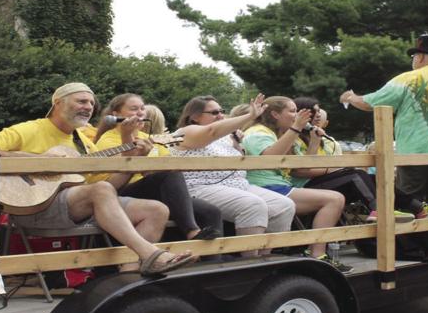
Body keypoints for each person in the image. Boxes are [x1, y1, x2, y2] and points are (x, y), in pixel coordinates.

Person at [0, 83, 193, 277]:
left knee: (157, 210)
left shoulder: (83, 142)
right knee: (99, 189)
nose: (88, 107)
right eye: (82, 101)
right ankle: (152, 255)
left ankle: (128, 277)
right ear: (58, 103)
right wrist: (40, 160)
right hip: (34, 206)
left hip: (75, 206)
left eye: (92, 103)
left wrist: (134, 160)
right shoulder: (29, 129)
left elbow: (109, 187)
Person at [339, 32, 428, 219]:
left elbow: (370, 103)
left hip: (413, 153)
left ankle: (410, 247)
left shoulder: (408, 78)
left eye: (414, 56)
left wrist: (351, 97)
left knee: (409, 207)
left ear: (420, 57)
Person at [170, 94, 301, 260]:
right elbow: (211, 131)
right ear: (195, 117)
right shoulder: (185, 132)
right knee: (253, 205)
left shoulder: (226, 137)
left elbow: (239, 160)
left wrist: (237, 143)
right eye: (214, 112)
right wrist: (249, 116)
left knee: (284, 205)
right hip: (201, 187)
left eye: (222, 111)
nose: (220, 115)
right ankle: (250, 261)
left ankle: (266, 258)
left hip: (238, 186)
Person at [90, 92, 224, 246]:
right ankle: (192, 232)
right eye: (134, 109)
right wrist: (131, 144)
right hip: (118, 193)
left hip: (150, 190)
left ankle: (212, 264)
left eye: (142, 108)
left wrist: (147, 163)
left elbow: (164, 169)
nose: (140, 113)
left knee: (211, 211)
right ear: (116, 114)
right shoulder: (108, 140)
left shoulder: (149, 138)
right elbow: (119, 178)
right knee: (169, 176)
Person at [240, 97, 349, 266]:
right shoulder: (258, 132)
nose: (296, 115)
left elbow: (305, 165)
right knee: (334, 199)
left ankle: (311, 253)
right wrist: (296, 127)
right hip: (264, 187)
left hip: (281, 185)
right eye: (292, 111)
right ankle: (317, 254)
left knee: (342, 191)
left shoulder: (282, 134)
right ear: (275, 114)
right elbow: (271, 159)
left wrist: (314, 141)